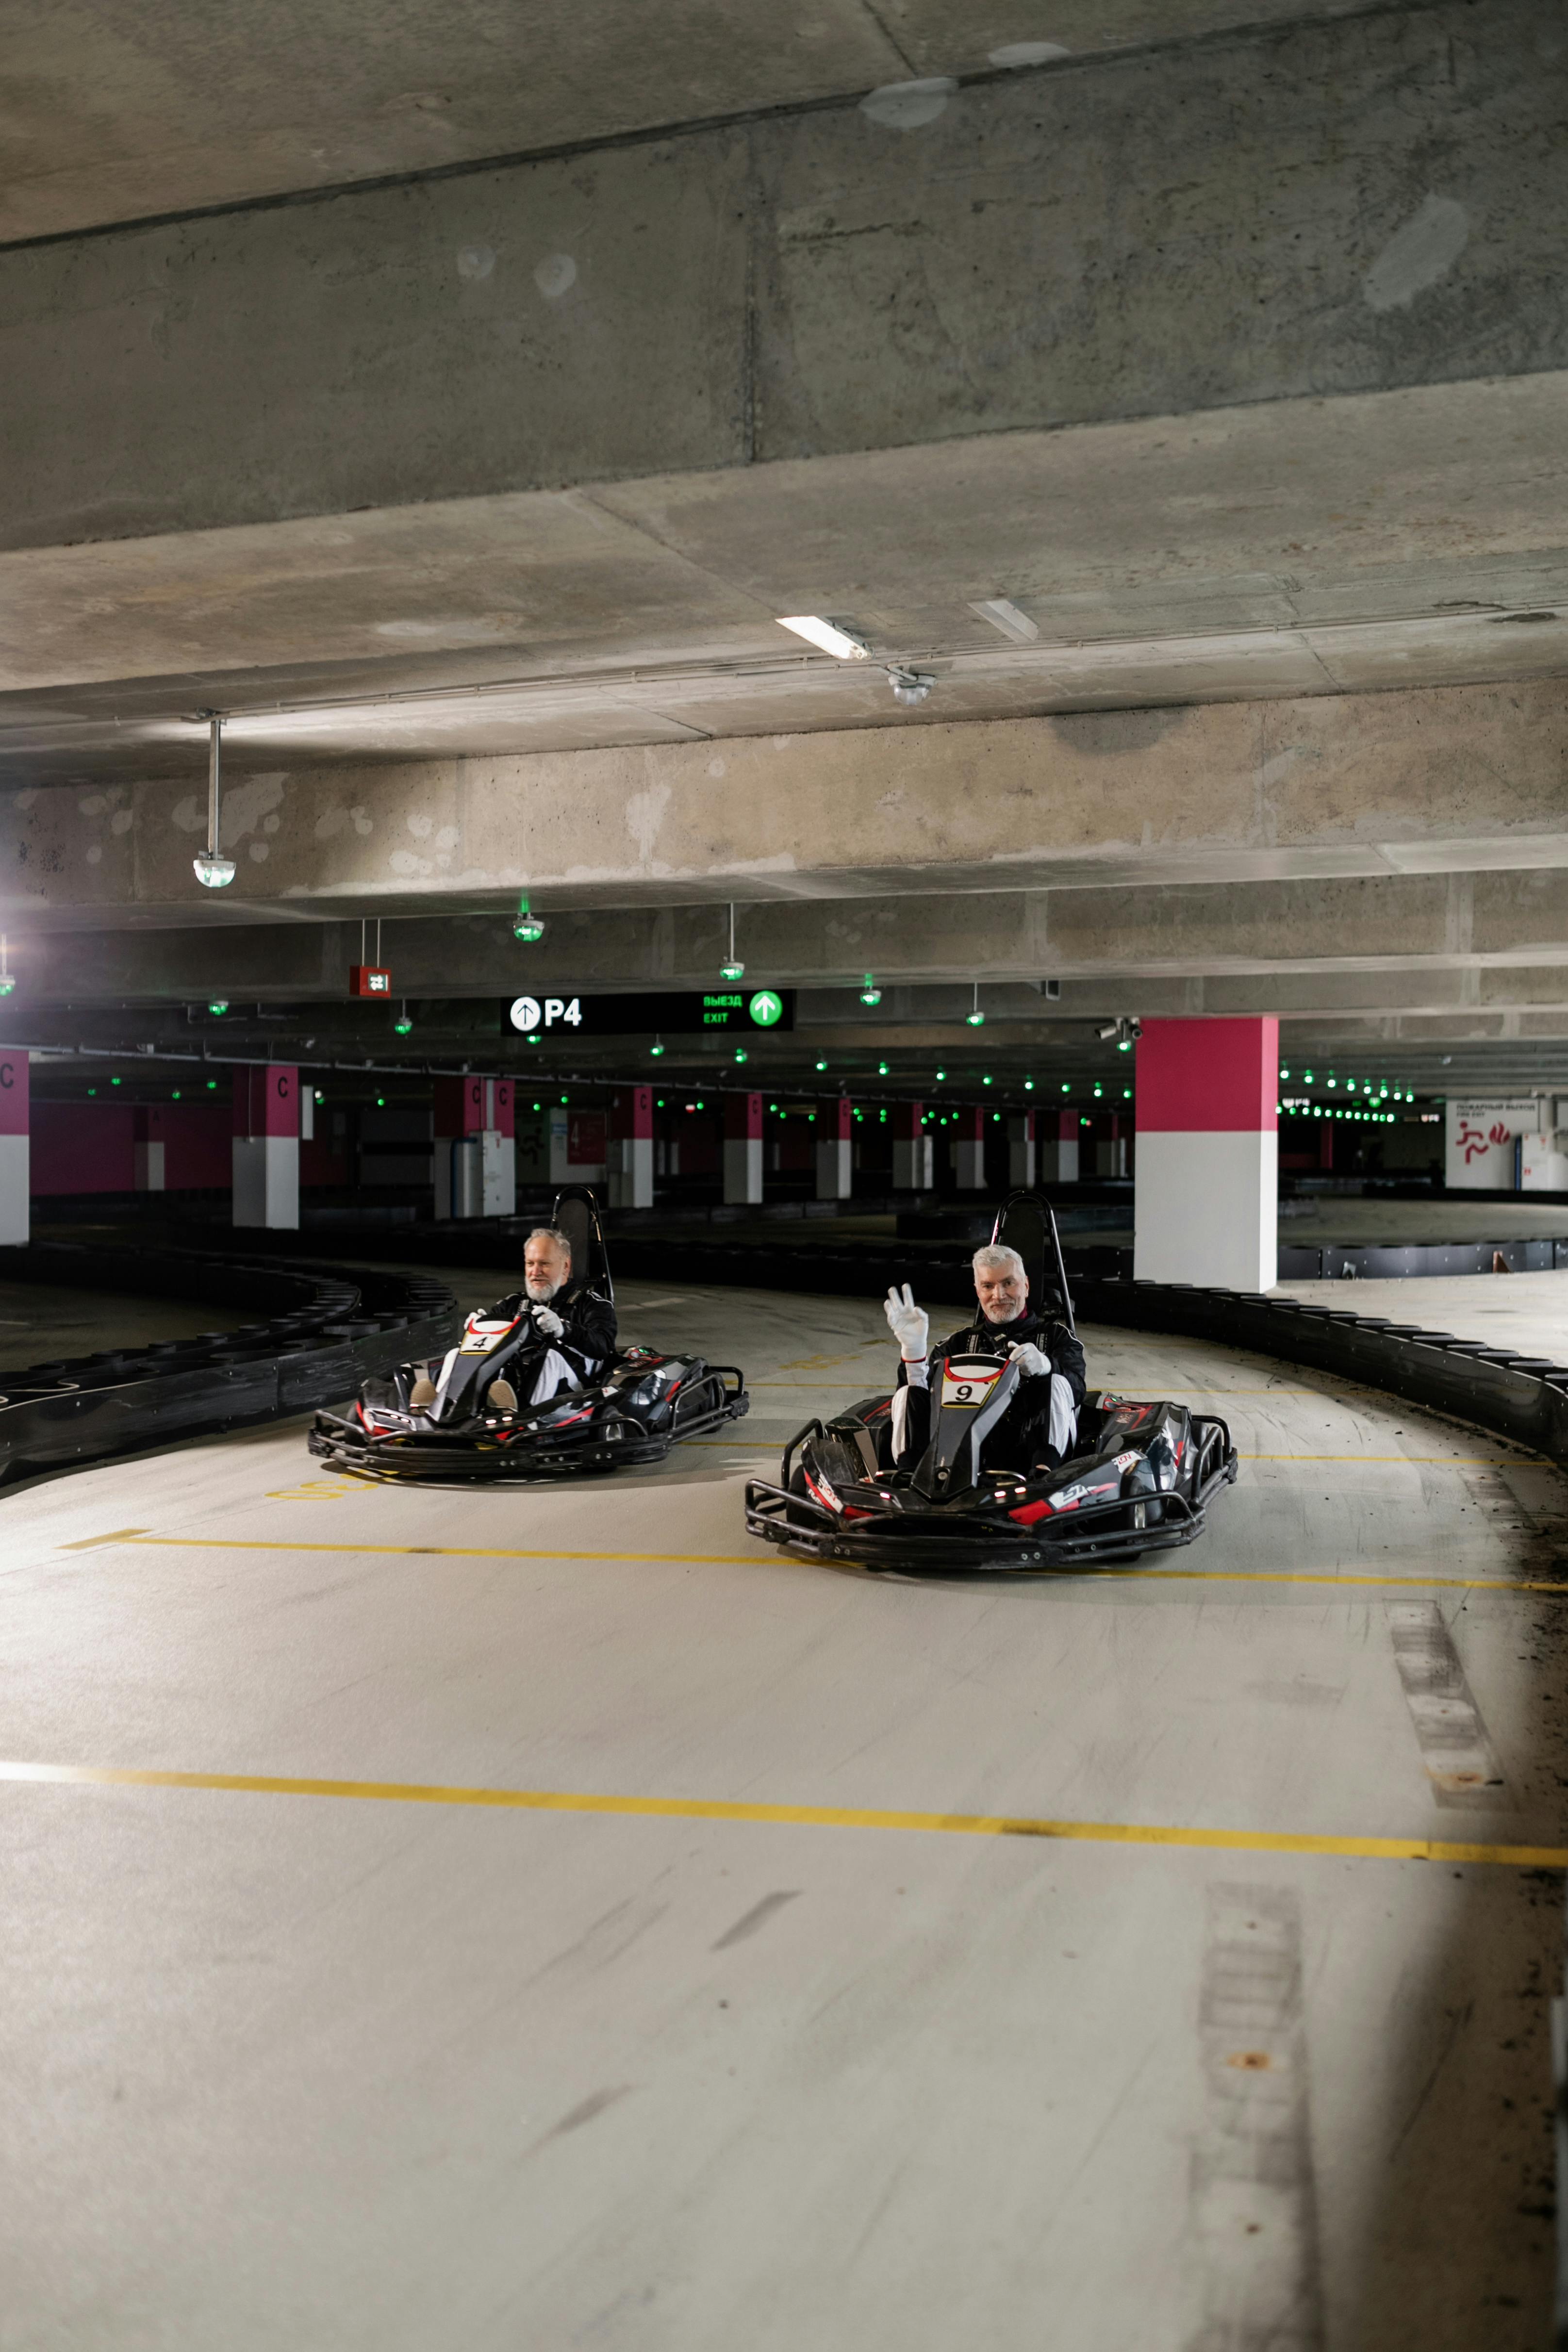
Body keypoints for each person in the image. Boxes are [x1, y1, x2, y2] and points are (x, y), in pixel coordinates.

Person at [883, 1242, 1085, 1475]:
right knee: (907, 1393)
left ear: (1026, 1286)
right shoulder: (957, 1344)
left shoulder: (1057, 1336)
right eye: (988, 1286)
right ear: (978, 1291)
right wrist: (913, 1352)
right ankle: (910, 1476)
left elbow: (1077, 1390)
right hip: (962, 1451)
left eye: (1008, 1283)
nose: (999, 1295)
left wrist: (1046, 1366)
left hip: (1028, 1448)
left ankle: (1042, 1476)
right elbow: (917, 1401)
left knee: (1056, 1381)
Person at [412, 1226, 617, 1414]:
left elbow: (603, 1347)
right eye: (530, 1264)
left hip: (575, 1387)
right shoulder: (514, 1303)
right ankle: (443, 1411)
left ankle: (524, 1422)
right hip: (517, 1378)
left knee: (549, 1357)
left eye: (544, 1264)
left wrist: (564, 1330)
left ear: (565, 1266)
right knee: (457, 1354)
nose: (535, 1272)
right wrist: (479, 1327)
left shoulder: (593, 1304)